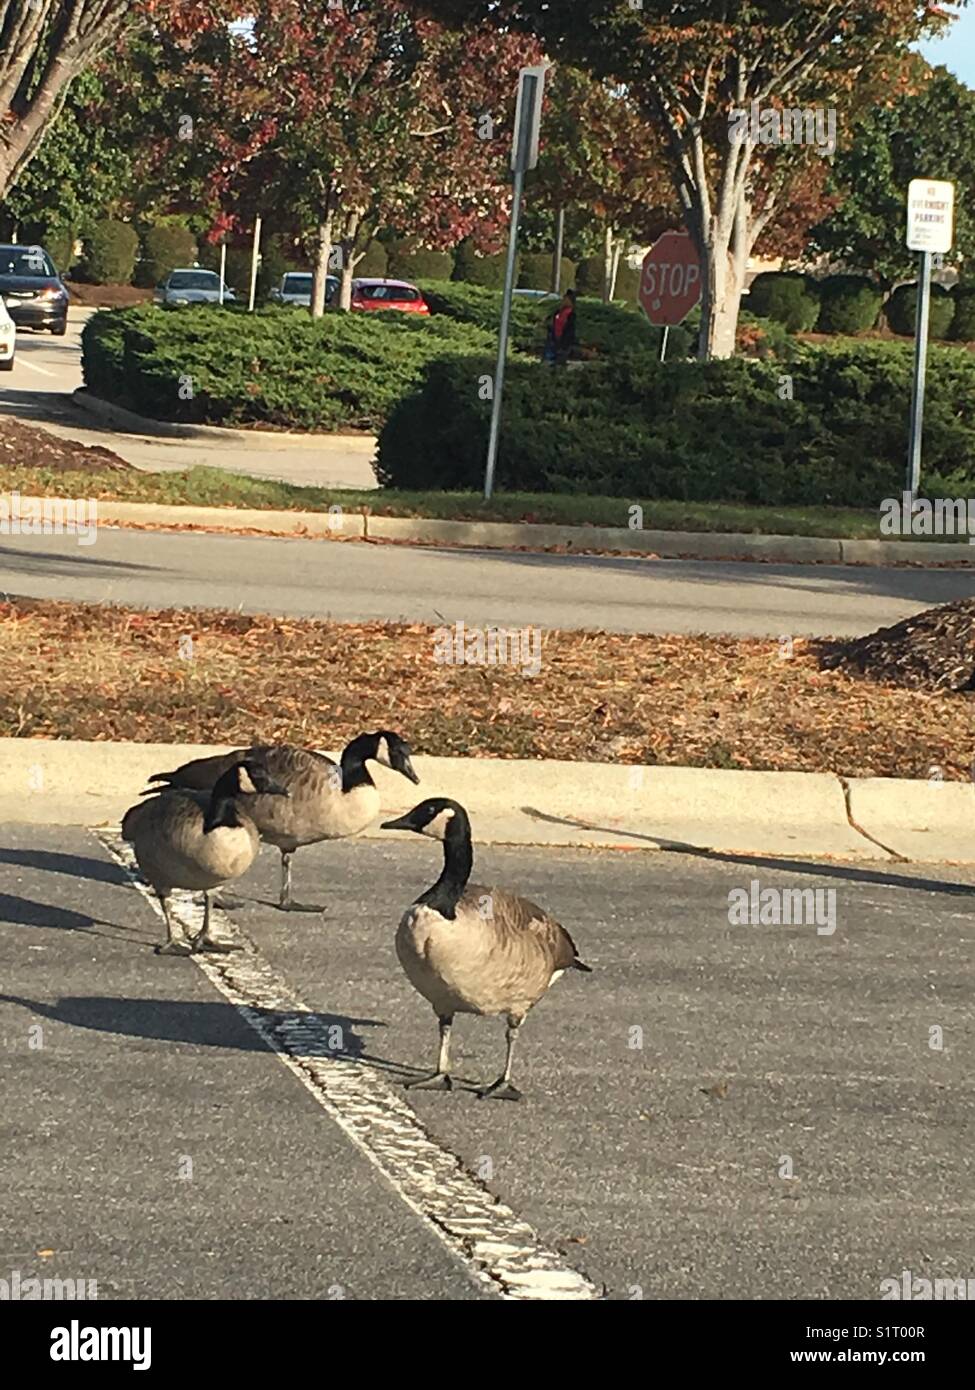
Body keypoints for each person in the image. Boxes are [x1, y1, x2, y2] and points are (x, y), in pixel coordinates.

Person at [543, 288, 577, 366]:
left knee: (559, 363)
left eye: (566, 299)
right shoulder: (558, 312)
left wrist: (565, 343)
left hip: (563, 343)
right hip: (554, 340)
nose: (563, 300)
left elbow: (570, 330)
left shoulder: (571, 314)